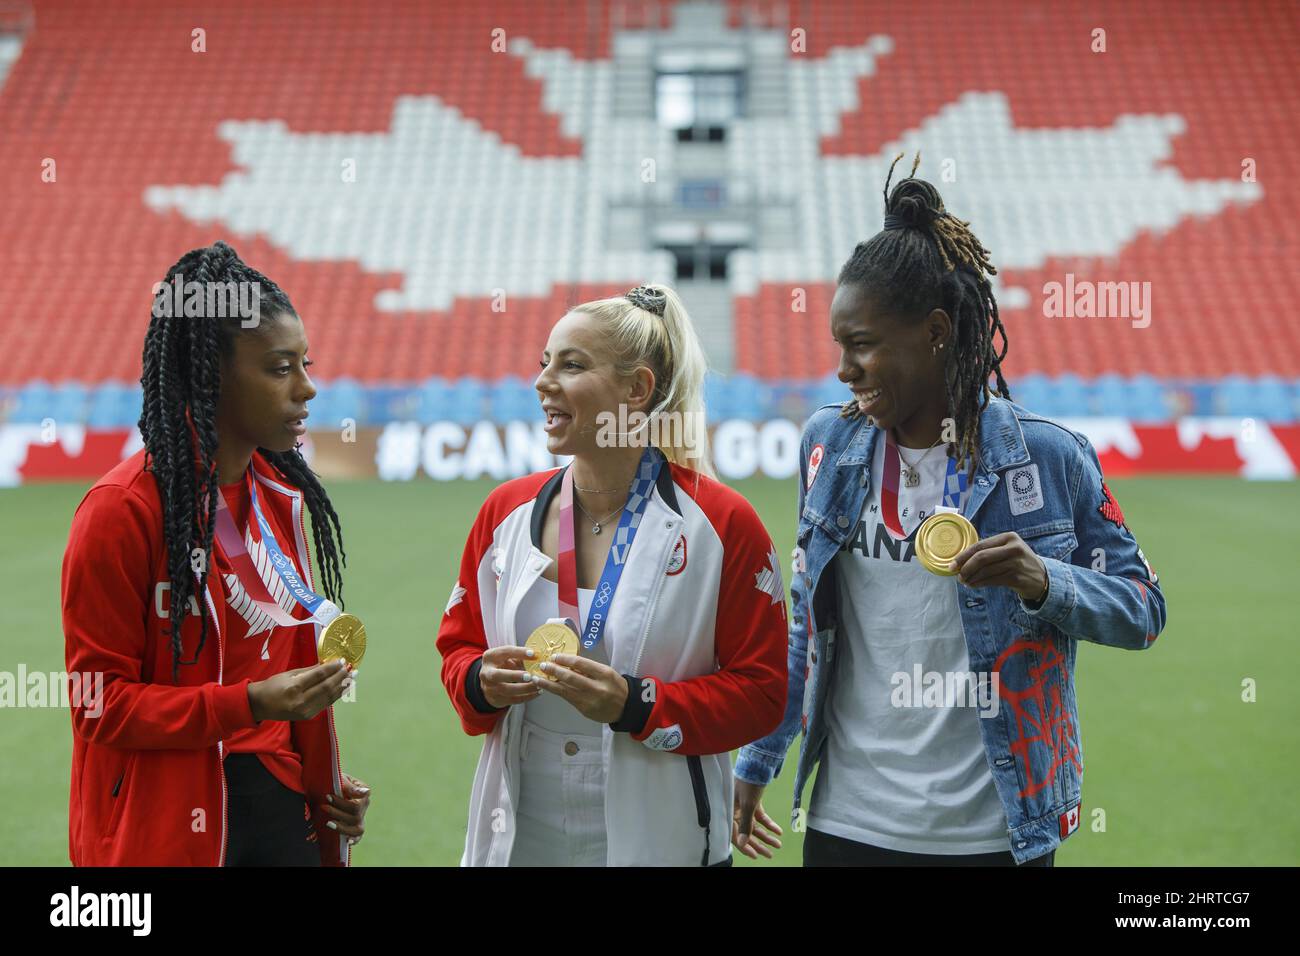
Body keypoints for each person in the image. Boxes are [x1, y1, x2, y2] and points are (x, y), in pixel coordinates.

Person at [732, 157, 1168, 867]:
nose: (844, 370)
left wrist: (1044, 581)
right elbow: (804, 623)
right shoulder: (828, 445)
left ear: (936, 332)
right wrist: (759, 759)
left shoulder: (1049, 456)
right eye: (840, 347)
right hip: (850, 825)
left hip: (997, 834)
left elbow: (1143, 610)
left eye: (864, 346)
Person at [437, 283, 788, 866]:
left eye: (571, 365)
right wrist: (478, 680)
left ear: (637, 388)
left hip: (666, 840)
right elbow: (457, 647)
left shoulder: (724, 525)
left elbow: (762, 692)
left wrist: (639, 705)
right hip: (521, 839)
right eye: (544, 362)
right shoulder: (504, 513)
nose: (543, 381)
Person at [62, 241, 371, 866]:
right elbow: (100, 704)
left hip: (282, 823)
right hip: (165, 832)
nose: (307, 388)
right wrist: (247, 704)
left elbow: (286, 686)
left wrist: (323, 783)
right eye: (281, 369)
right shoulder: (121, 511)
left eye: (305, 364)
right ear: (211, 377)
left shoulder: (281, 501)